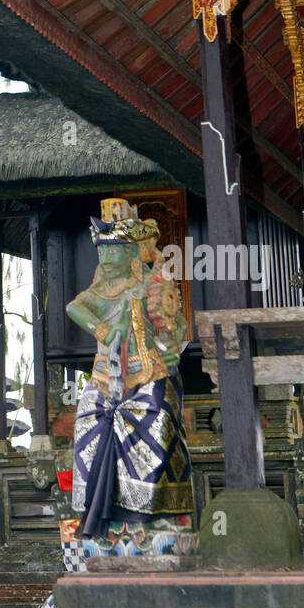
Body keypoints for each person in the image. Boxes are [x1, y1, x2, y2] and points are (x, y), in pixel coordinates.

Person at [66, 199, 192, 541]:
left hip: (149, 374)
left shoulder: (152, 284)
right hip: (107, 377)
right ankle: (101, 517)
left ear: (131, 253)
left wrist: (171, 349)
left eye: (115, 252)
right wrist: (103, 330)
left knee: (156, 427)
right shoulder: (98, 292)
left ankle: (152, 517)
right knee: (86, 427)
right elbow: (73, 307)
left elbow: (177, 326)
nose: (106, 260)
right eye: (102, 252)